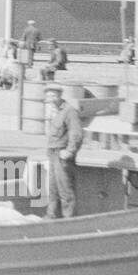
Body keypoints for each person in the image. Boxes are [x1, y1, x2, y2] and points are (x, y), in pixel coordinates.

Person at [44, 84, 84, 218]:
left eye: (53, 96)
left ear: (60, 96)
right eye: (48, 96)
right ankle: (51, 216)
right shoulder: (52, 111)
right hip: (53, 154)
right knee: (52, 189)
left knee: (65, 190)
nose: (50, 99)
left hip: (62, 156)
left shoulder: (69, 111)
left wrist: (70, 151)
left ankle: (69, 220)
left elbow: (76, 133)